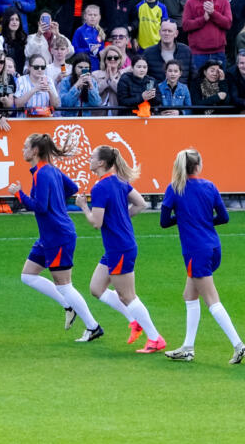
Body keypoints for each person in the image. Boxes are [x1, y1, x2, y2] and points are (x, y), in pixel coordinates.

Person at [8, 133, 102, 341]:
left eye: (25, 147)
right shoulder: (50, 170)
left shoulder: (42, 174)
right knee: (28, 276)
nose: (22, 150)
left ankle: (93, 326)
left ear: (35, 151)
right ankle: (68, 305)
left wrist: (18, 194)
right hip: (49, 236)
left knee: (64, 285)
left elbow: (40, 207)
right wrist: (57, 199)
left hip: (58, 236)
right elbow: (73, 188)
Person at [160, 148, 245, 364]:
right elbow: (224, 217)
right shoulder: (210, 186)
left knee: (211, 300)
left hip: (195, 251)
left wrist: (183, 218)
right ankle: (187, 348)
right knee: (189, 296)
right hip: (213, 247)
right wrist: (203, 221)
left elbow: (164, 222)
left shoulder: (174, 188)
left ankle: (239, 345)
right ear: (198, 166)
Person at [74, 146, 165, 354]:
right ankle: (135, 321)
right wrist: (122, 217)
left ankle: (155, 338)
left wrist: (83, 206)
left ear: (101, 163)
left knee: (128, 296)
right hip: (118, 246)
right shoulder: (121, 181)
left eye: (92, 157)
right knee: (96, 288)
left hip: (119, 247)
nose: (89, 160)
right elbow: (141, 204)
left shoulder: (99, 188)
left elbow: (96, 223)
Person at [182, 0, 232, 69]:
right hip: (197, 54)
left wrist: (213, 13)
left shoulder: (224, 1)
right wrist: (203, 19)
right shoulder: (190, 2)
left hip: (218, 53)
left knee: (219, 79)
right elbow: (185, 26)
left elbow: (228, 24)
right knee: (198, 79)